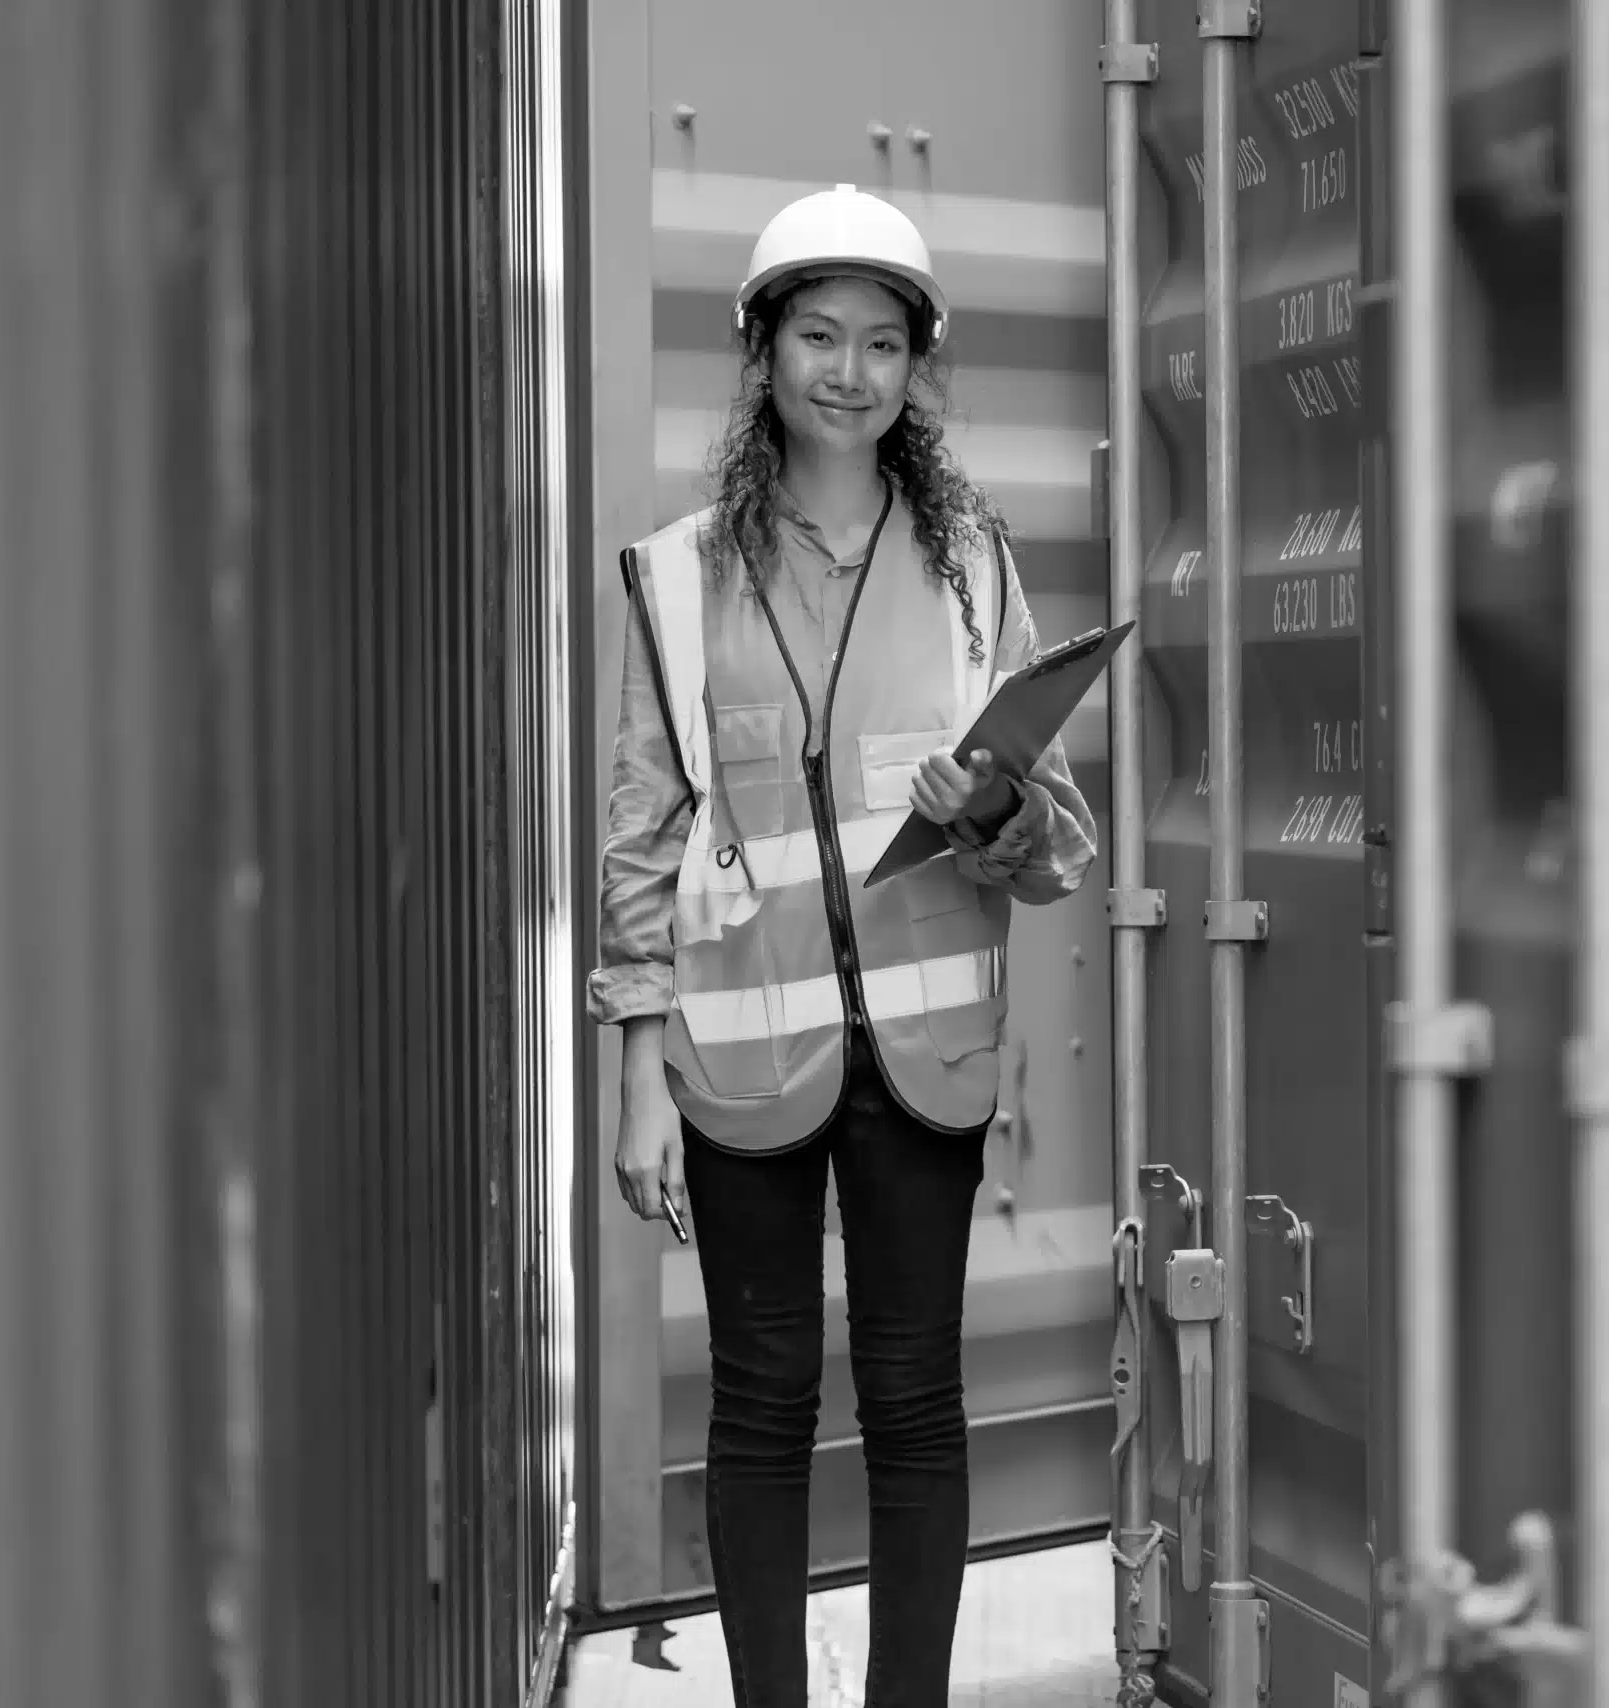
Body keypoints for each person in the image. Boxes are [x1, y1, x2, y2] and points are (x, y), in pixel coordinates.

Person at [587, 184, 1097, 1708]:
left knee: (917, 1405)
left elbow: (1055, 837)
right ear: (760, 348)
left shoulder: (968, 563)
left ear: (917, 368)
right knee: (759, 1407)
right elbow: (641, 837)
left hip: (926, 1057)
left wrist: (992, 799)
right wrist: (632, 1077)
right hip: (738, 1055)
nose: (850, 370)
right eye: (819, 333)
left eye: (885, 341)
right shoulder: (676, 577)